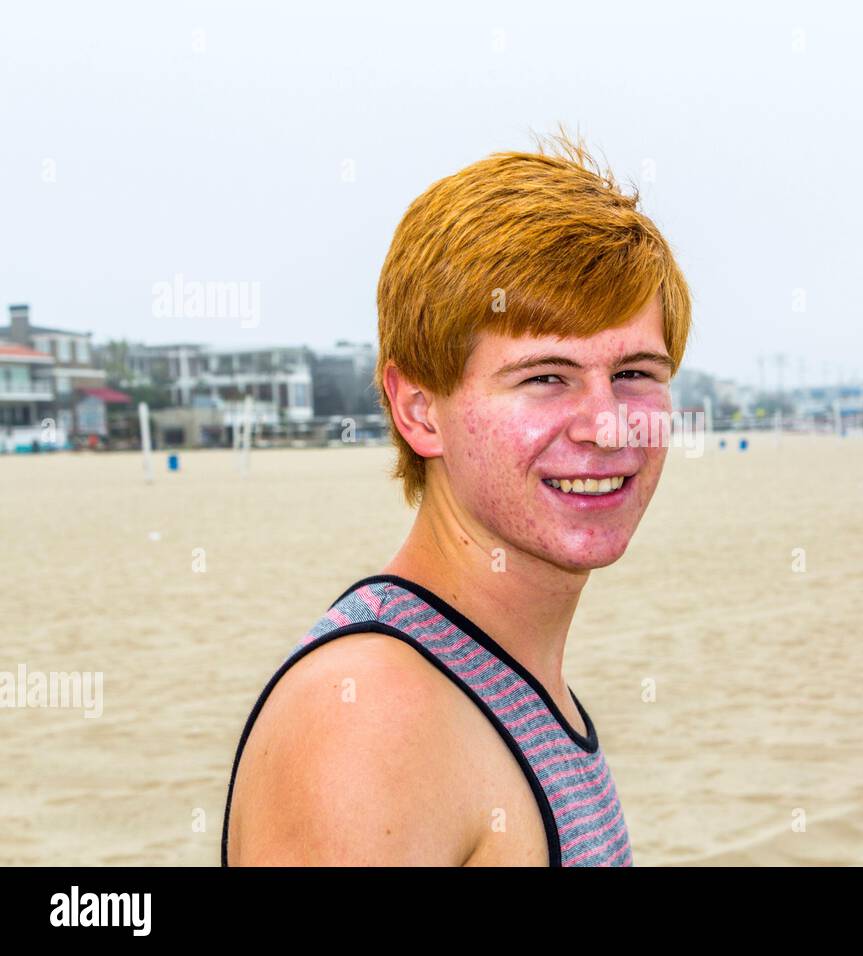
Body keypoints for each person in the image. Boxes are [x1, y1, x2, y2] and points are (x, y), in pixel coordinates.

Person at [221, 129, 692, 866]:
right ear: (417, 409)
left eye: (635, 371)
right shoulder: (373, 718)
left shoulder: (510, 680)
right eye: (545, 376)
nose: (608, 424)